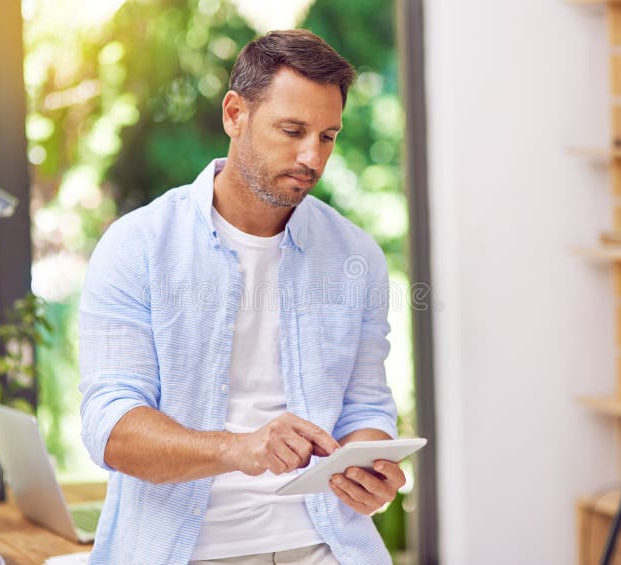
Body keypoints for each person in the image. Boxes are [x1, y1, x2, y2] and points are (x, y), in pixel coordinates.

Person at [79, 29, 404, 565]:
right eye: (292, 130)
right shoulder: (137, 245)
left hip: (327, 546)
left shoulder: (355, 254)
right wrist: (240, 448)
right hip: (183, 551)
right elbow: (111, 428)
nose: (311, 157)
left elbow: (366, 406)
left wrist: (366, 466)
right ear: (235, 114)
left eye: (327, 136)